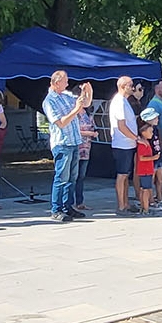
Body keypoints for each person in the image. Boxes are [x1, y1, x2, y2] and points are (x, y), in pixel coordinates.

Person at [41, 70, 93, 223]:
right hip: (62, 143)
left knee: (72, 177)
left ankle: (68, 206)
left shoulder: (66, 96)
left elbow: (85, 103)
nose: (68, 84)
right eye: (65, 81)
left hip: (74, 141)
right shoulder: (49, 101)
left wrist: (87, 92)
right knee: (61, 177)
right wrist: (76, 110)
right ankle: (56, 209)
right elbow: (61, 122)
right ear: (56, 83)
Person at [107, 76, 140, 214]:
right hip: (122, 144)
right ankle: (121, 206)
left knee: (126, 175)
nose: (133, 88)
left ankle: (125, 203)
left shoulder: (125, 101)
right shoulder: (118, 102)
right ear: (123, 86)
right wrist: (136, 138)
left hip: (128, 144)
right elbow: (121, 125)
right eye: (130, 85)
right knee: (122, 175)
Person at [74, 85, 97, 213]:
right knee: (74, 176)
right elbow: (76, 130)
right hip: (77, 147)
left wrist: (95, 132)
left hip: (86, 149)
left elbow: (92, 126)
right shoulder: (75, 113)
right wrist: (90, 134)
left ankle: (80, 202)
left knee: (81, 176)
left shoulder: (87, 112)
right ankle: (70, 202)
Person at [135, 119, 159, 214]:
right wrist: (154, 157)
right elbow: (141, 158)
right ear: (143, 132)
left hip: (147, 169)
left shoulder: (146, 142)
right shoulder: (142, 144)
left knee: (144, 189)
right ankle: (145, 208)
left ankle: (143, 208)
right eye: (150, 132)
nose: (152, 134)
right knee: (145, 190)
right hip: (145, 170)